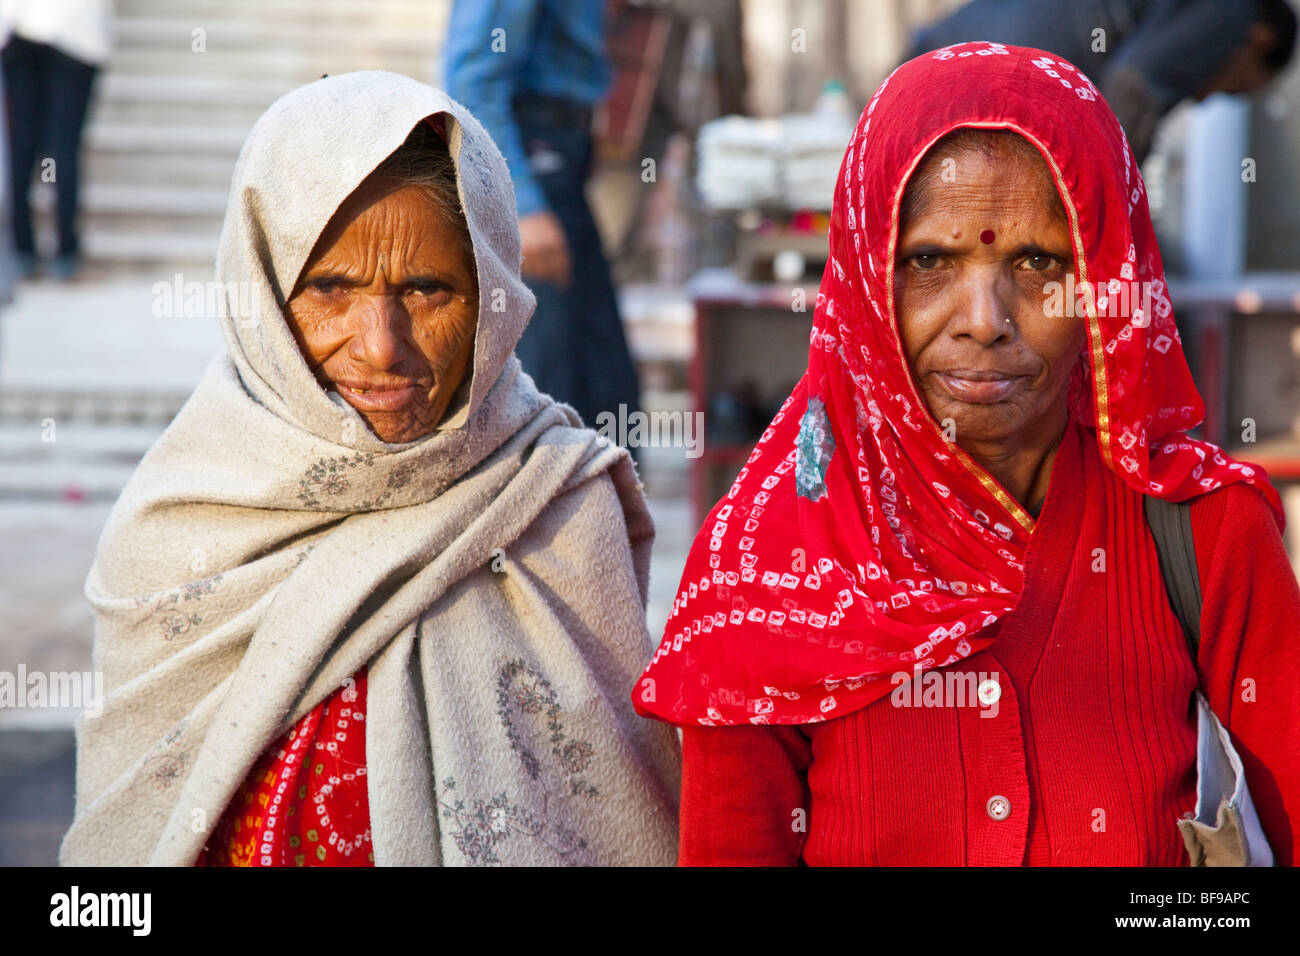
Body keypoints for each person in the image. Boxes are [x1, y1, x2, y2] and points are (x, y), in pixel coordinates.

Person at [634, 43, 1300, 866]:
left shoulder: (1202, 530)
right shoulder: (767, 565)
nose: (984, 317)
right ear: (861, 277)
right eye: (929, 261)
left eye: (1037, 261)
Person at [59, 71, 680, 867]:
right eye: (329, 289)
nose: (382, 345)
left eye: (427, 289)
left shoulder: (556, 501)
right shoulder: (180, 522)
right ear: (263, 289)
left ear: (494, 297)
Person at [443, 0, 641, 435]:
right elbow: (471, 82)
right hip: (529, 167)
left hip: (562, 164)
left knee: (609, 396)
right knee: (548, 393)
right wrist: (520, 205)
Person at [906, 0, 1297, 164]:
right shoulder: (1235, 11)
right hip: (983, 84)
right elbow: (1134, 88)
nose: (1206, 99)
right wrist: (1118, 213)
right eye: (1233, 88)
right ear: (1261, 38)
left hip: (933, 62)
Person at [0, 0, 114, 280]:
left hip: (21, 24)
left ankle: (24, 249)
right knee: (63, 146)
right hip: (74, 32)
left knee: (23, 144)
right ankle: (64, 253)